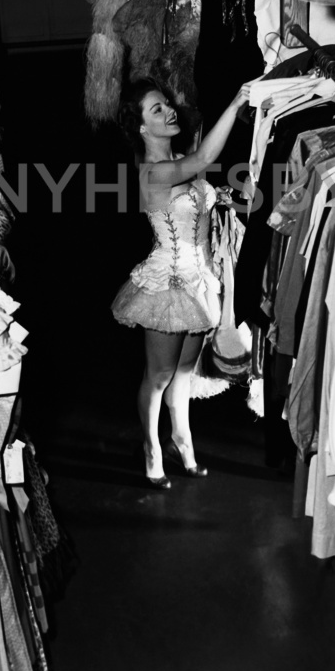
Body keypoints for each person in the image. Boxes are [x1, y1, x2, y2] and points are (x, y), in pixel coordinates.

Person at [111, 76, 254, 489]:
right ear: (141, 127)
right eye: (157, 109)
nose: (170, 110)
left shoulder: (176, 159)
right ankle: (151, 448)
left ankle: (181, 440)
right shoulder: (152, 172)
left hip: (199, 280)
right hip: (166, 284)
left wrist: (219, 198)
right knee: (157, 376)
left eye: (167, 104)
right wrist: (237, 99)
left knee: (184, 376)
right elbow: (205, 157)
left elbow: (197, 197)